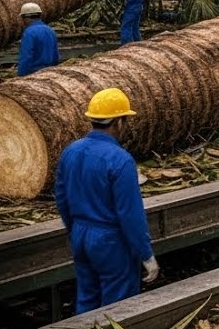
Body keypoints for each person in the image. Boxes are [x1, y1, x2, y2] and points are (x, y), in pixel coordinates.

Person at [54, 87, 159, 314]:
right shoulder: (120, 160)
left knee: (87, 297)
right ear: (118, 123)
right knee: (117, 307)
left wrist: (75, 230)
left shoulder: (70, 151)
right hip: (110, 241)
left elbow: (61, 197)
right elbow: (130, 214)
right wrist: (146, 254)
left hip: (80, 235)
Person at [17, 2, 60, 77]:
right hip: (49, 72)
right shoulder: (50, 30)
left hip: (33, 73)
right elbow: (55, 55)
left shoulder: (29, 33)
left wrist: (21, 74)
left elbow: (26, 56)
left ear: (26, 18)